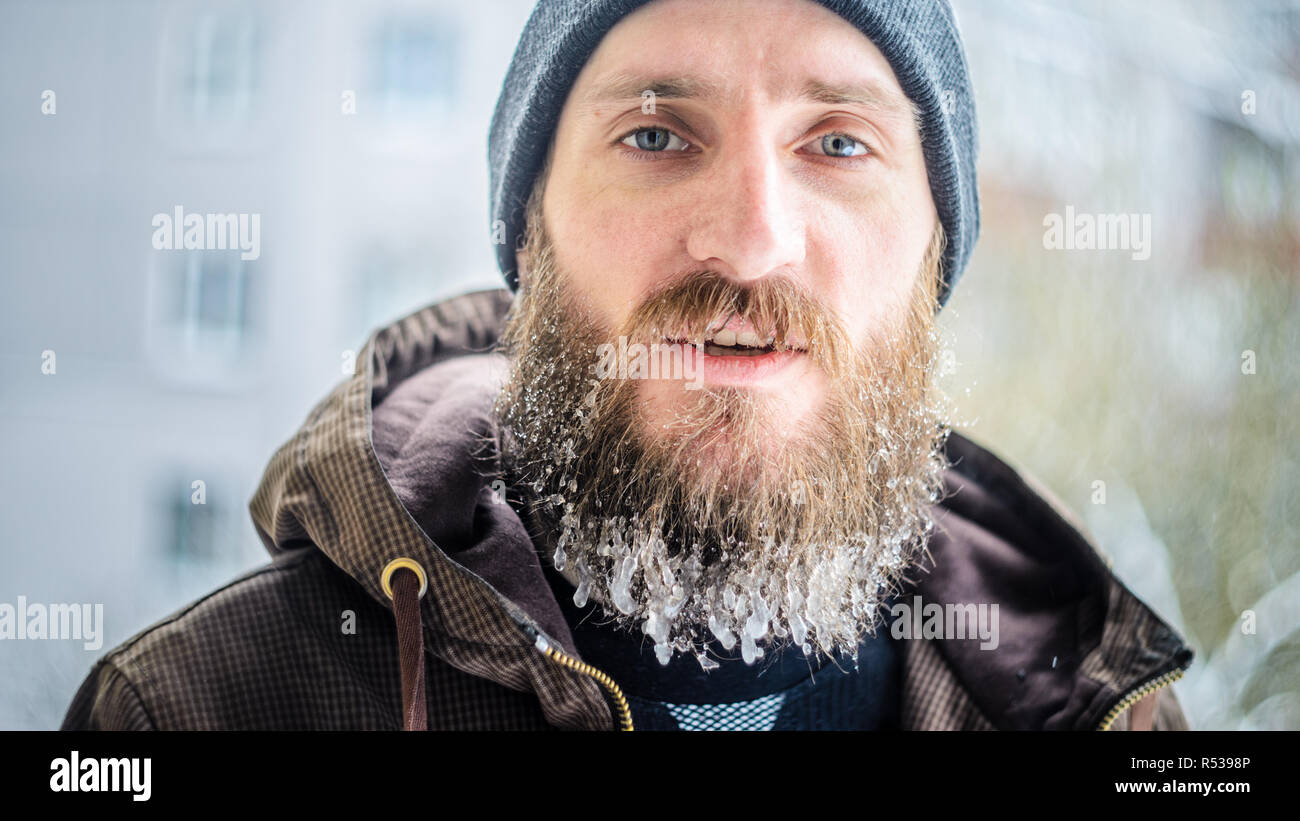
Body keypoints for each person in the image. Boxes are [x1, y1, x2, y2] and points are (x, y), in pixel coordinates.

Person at [62, 0, 1192, 731]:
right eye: (655, 134)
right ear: (529, 239)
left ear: (934, 246)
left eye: (838, 142)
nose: (750, 239)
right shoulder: (196, 709)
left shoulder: (1115, 719)